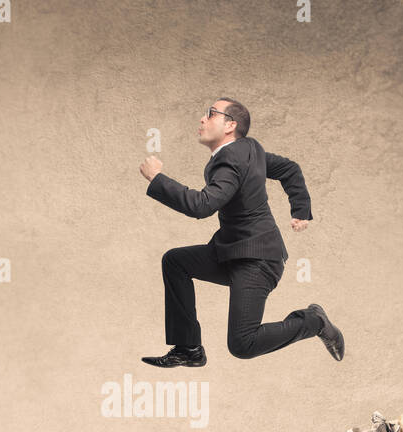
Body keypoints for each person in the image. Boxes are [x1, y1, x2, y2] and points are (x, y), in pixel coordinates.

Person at [139, 97, 344, 368]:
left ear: (230, 125)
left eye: (210, 114)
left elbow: (202, 205)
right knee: (175, 261)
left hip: (256, 260)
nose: (202, 119)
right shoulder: (250, 149)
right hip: (232, 250)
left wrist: (157, 179)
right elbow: (289, 169)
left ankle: (314, 321)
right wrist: (301, 209)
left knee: (243, 344)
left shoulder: (230, 161)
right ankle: (189, 348)